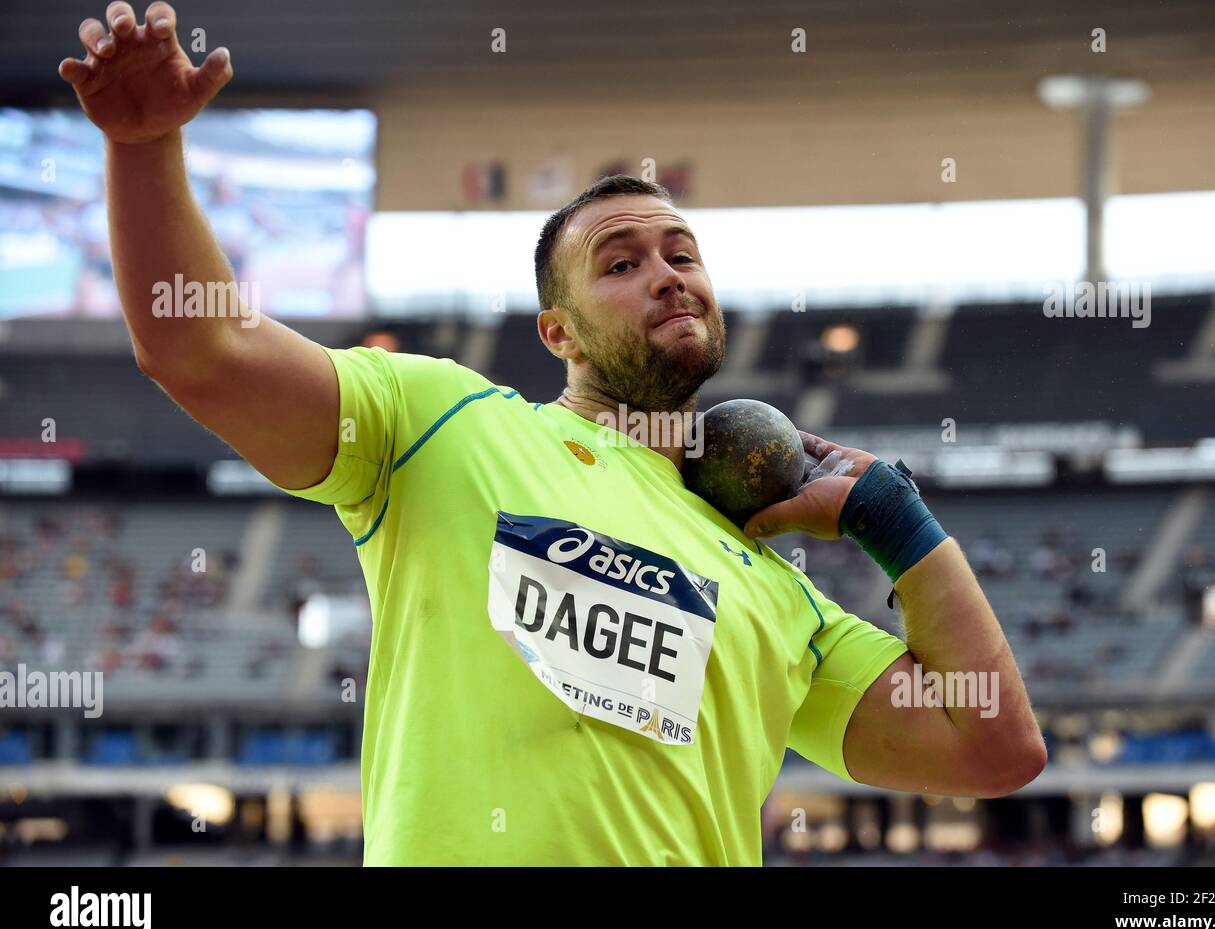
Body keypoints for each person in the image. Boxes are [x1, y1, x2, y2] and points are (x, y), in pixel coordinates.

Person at [59, 1, 1047, 865]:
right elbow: (201, 350)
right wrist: (145, 150)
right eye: (619, 262)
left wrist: (896, 519)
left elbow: (992, 747)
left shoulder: (774, 591)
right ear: (556, 331)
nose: (665, 272)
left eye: (681, 253)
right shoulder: (441, 425)